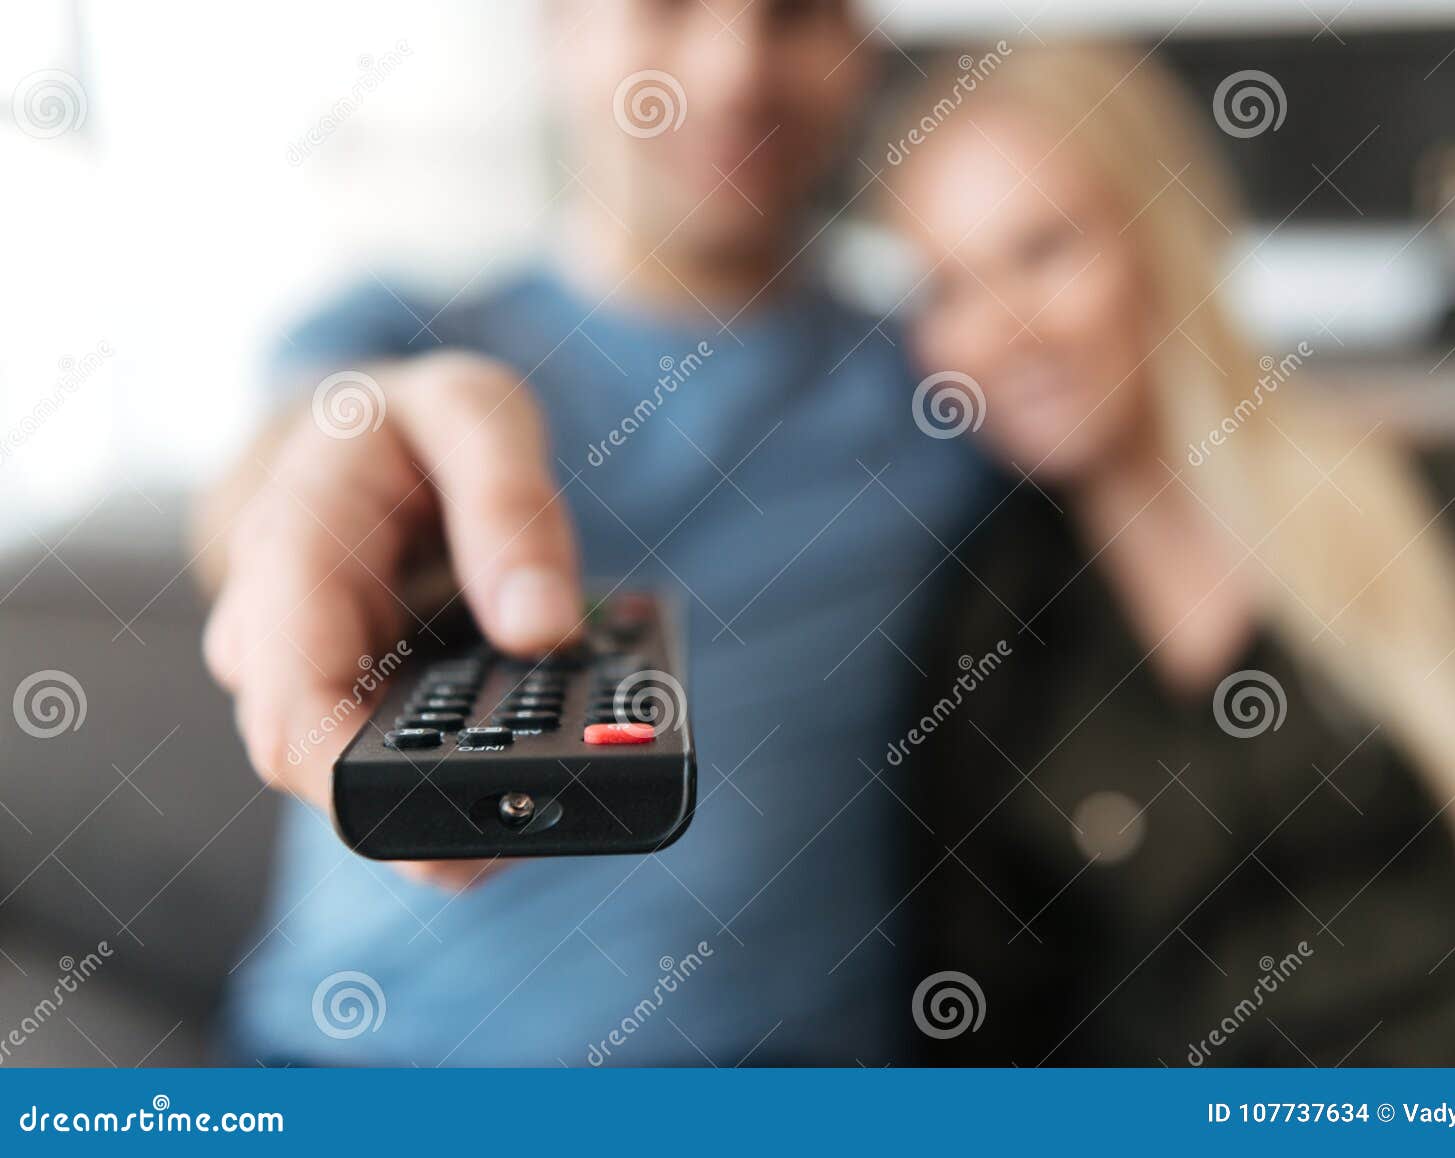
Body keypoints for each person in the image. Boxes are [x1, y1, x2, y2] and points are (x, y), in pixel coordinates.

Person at [195, 0, 995, 1065]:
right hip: (357, 1072)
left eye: (794, 15)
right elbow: (277, 480)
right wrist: (302, 510)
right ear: (560, 31)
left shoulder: (947, 382)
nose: (731, 76)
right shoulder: (393, 337)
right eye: (666, 9)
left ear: (859, 49)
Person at [885, 43, 1455, 1065]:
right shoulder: (982, 653)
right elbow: (984, 1044)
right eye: (945, 288)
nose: (1001, 331)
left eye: (1043, 251)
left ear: (1160, 230)